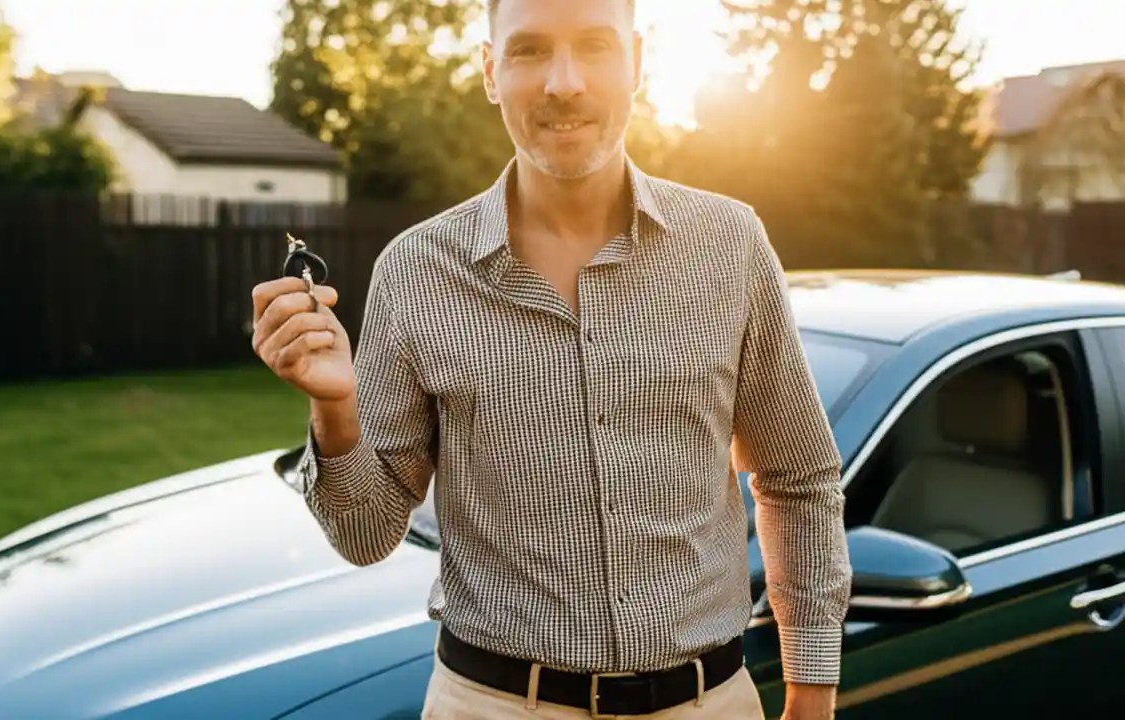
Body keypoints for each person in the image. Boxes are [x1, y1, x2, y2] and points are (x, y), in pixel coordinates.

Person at [250, 0, 851, 717]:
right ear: (490, 71)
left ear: (638, 60)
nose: (563, 82)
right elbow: (368, 533)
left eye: (593, 47)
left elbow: (798, 478)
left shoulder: (730, 245)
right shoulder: (416, 272)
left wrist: (811, 690)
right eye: (530, 50)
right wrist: (335, 411)